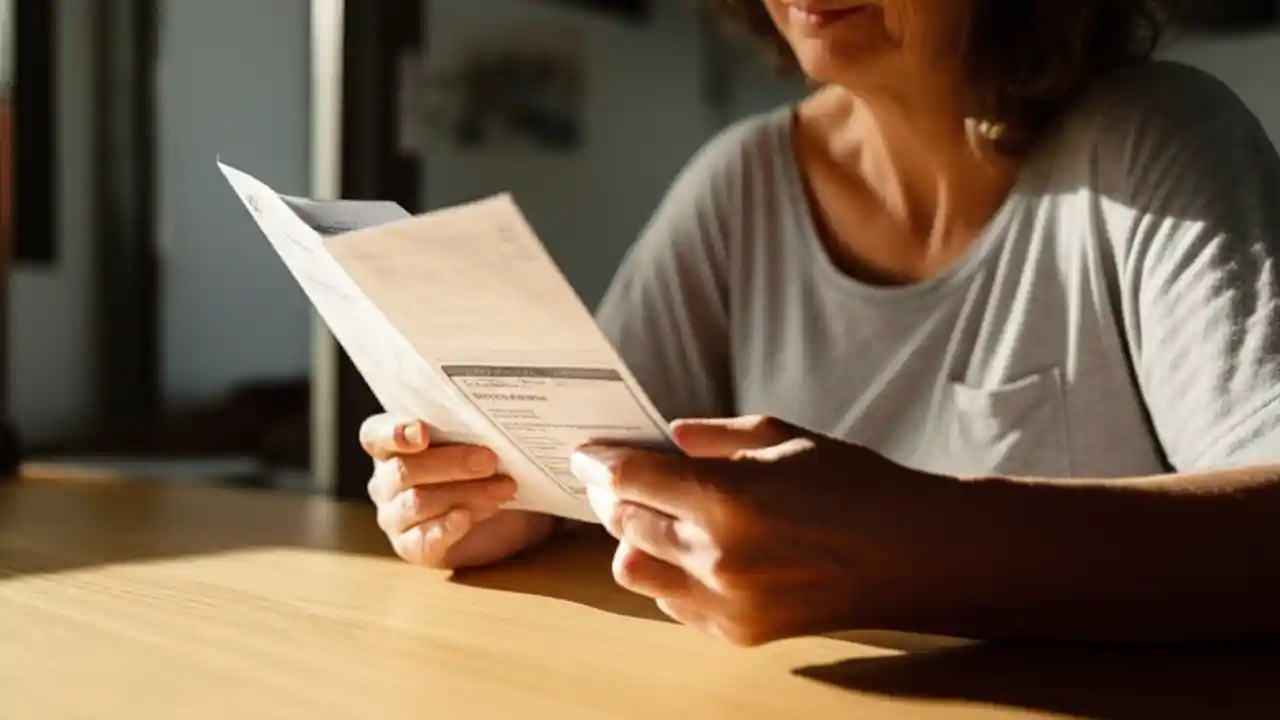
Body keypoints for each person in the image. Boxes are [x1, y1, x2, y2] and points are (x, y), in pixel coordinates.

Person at [362, 0, 1280, 645]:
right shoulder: (740, 185)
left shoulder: (1158, 140)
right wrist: (498, 500)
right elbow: (589, 467)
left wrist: (919, 547)